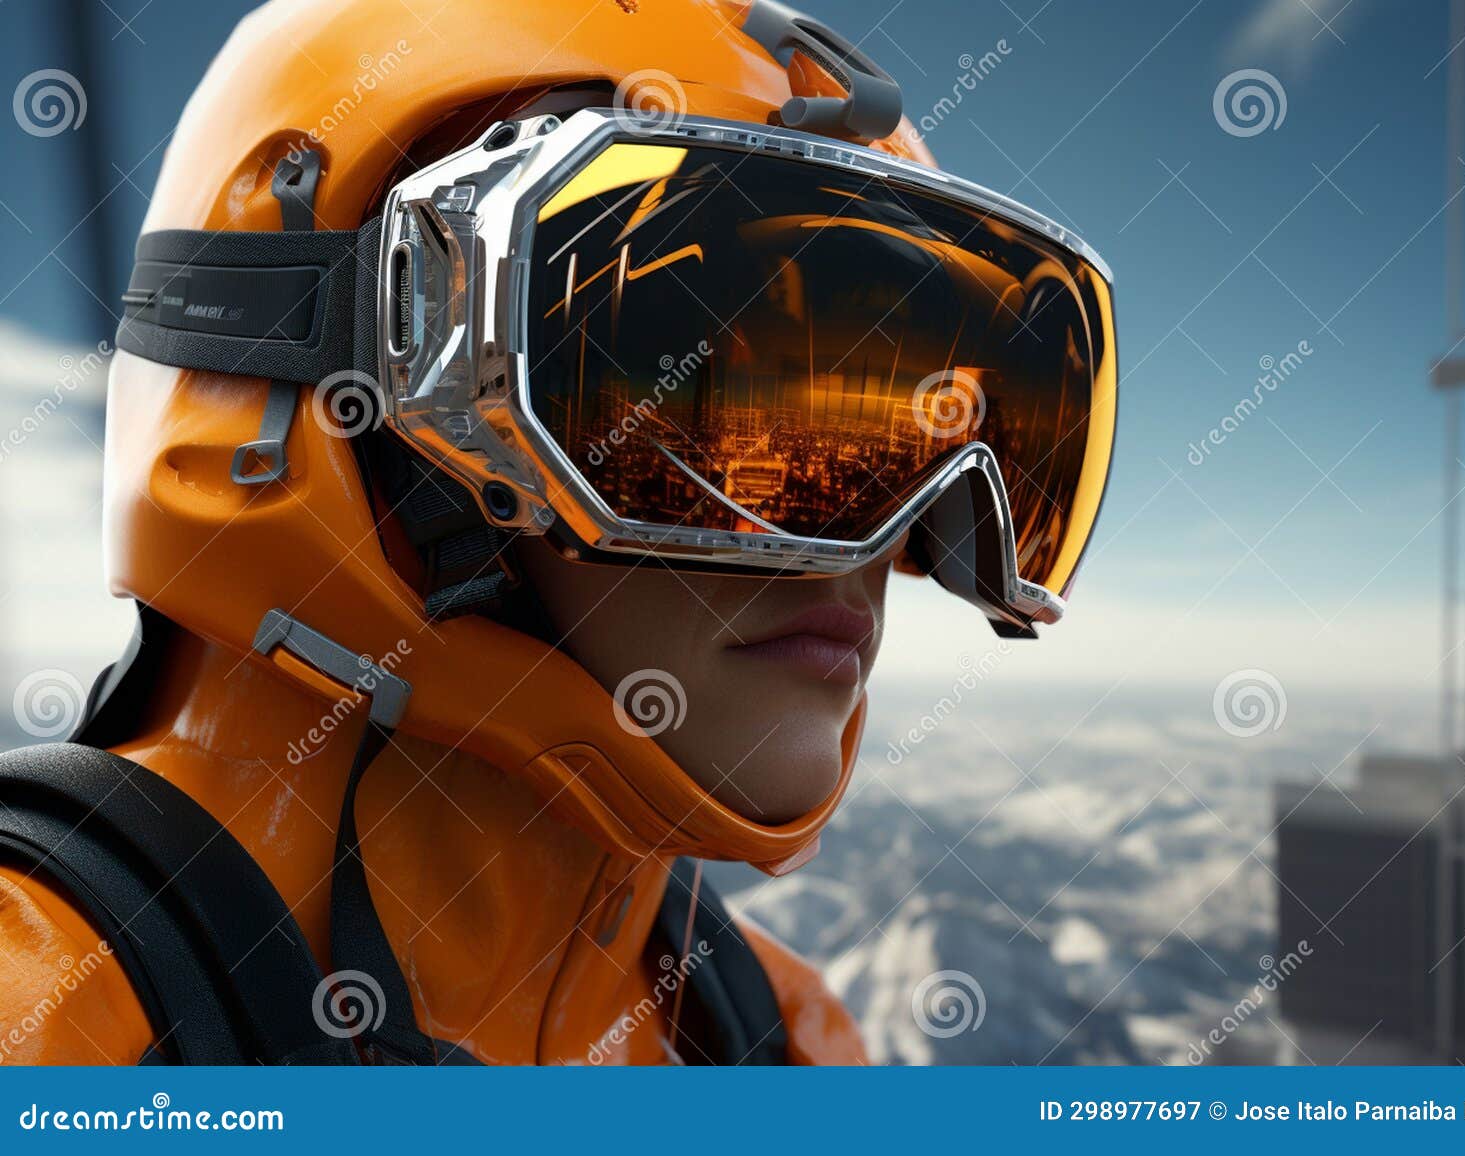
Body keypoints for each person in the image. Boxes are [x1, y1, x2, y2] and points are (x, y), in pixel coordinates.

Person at [0, 0, 1116, 1065]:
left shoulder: (777, 1034)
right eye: (715, 400)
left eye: (904, 431)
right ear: (347, 409)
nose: (861, 540)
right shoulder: (42, 1019)